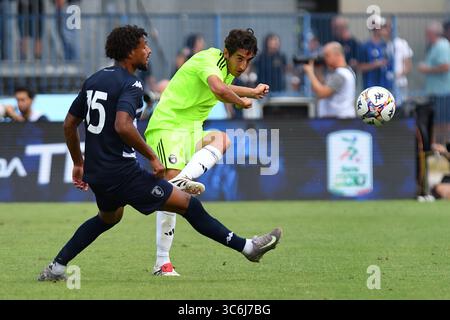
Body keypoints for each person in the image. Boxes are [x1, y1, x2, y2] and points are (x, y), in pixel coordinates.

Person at [37, 25, 281, 281]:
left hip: (99, 172)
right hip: (124, 171)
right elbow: (122, 125)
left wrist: (78, 163)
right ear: (131, 51)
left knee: (107, 219)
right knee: (189, 205)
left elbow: (68, 124)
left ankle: (57, 267)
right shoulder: (132, 84)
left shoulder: (94, 79)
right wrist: (152, 157)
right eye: (144, 45)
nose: (149, 50)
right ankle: (247, 248)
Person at [144, 28, 271, 276]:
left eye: (248, 60)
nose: (243, 65)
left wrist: (252, 91)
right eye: (240, 59)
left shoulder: (225, 67)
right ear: (227, 52)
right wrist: (240, 100)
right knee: (171, 199)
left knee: (222, 139)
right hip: (168, 126)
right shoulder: (208, 60)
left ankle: (184, 179)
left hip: (191, 129)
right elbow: (218, 89)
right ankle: (162, 262)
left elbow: (224, 86)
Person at [303, 42, 356, 119]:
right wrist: (317, 71)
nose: (325, 59)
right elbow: (320, 87)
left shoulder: (341, 75)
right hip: (337, 120)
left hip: (339, 121)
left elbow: (322, 93)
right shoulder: (342, 72)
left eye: (327, 55)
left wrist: (310, 73)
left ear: (337, 55)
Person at [418, 21, 450, 144]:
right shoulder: (435, 46)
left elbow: (446, 66)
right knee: (437, 122)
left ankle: (443, 149)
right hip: (436, 93)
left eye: (427, 32)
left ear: (432, 33)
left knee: (443, 123)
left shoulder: (442, 46)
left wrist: (427, 69)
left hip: (442, 93)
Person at [381, 19, 413, 107]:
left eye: (386, 28)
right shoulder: (385, 45)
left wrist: (398, 75)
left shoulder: (402, 43)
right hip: (387, 84)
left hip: (400, 83)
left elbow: (408, 65)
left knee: (400, 107)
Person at [359, 19, 394, 91]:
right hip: (370, 87)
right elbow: (360, 67)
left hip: (385, 87)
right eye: (382, 27)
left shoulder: (386, 45)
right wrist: (375, 65)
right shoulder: (365, 46)